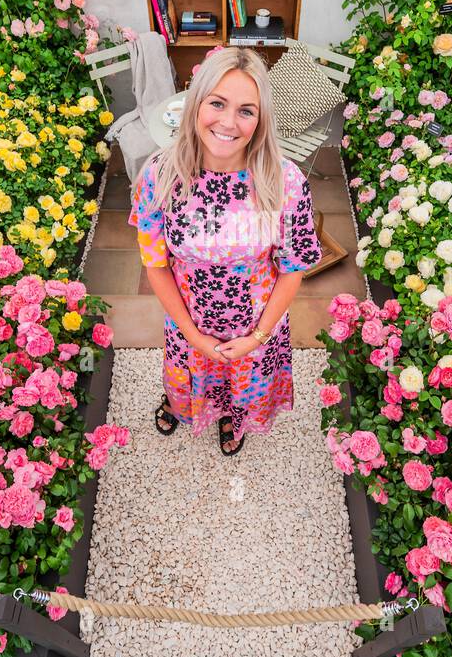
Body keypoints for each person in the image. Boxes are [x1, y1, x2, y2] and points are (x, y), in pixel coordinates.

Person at [129, 46, 322, 456]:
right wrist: (192, 334)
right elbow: (155, 265)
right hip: (188, 320)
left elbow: (292, 268)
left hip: (255, 326)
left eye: (246, 110)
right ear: (196, 101)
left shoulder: (283, 180)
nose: (228, 122)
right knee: (187, 381)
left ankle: (235, 417)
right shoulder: (160, 175)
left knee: (243, 388)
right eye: (217, 103)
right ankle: (182, 404)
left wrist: (259, 336)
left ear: (261, 118)